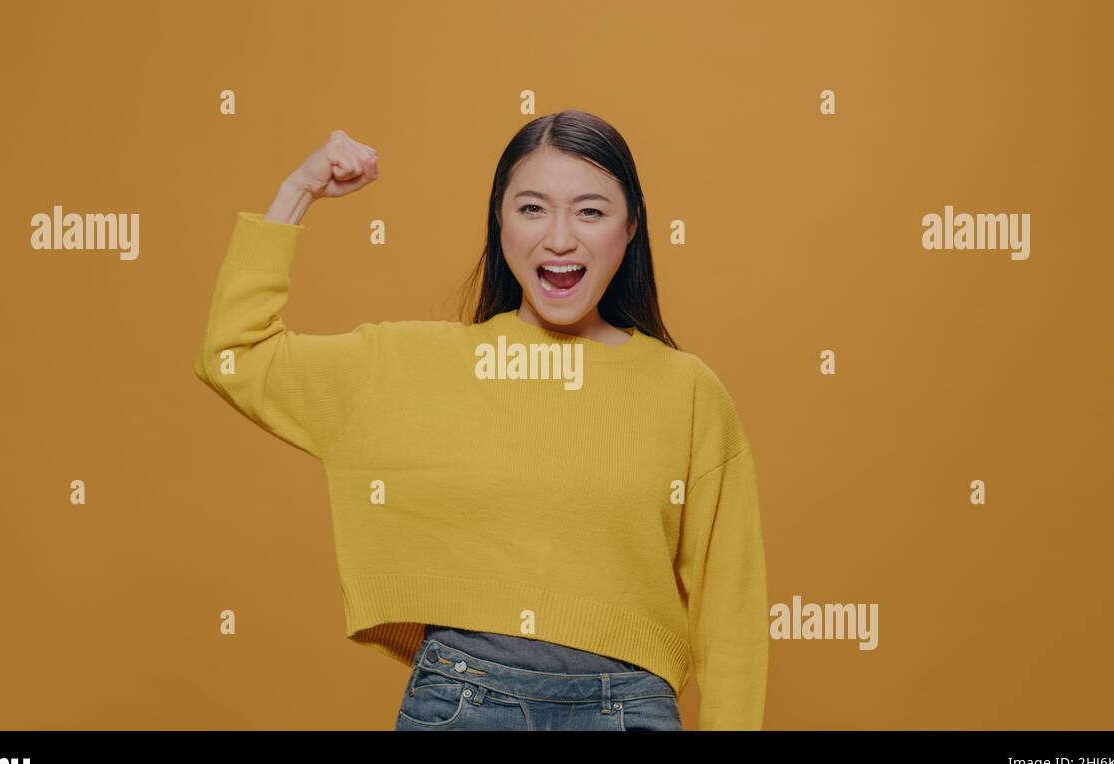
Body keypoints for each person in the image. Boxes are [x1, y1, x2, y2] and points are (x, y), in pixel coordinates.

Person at [193, 110, 768, 730]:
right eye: (531, 208)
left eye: (591, 211)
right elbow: (235, 355)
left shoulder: (687, 393)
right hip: (465, 705)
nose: (559, 238)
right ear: (500, 223)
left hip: (627, 711)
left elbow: (730, 612)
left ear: (631, 228)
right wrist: (297, 191)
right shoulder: (420, 365)